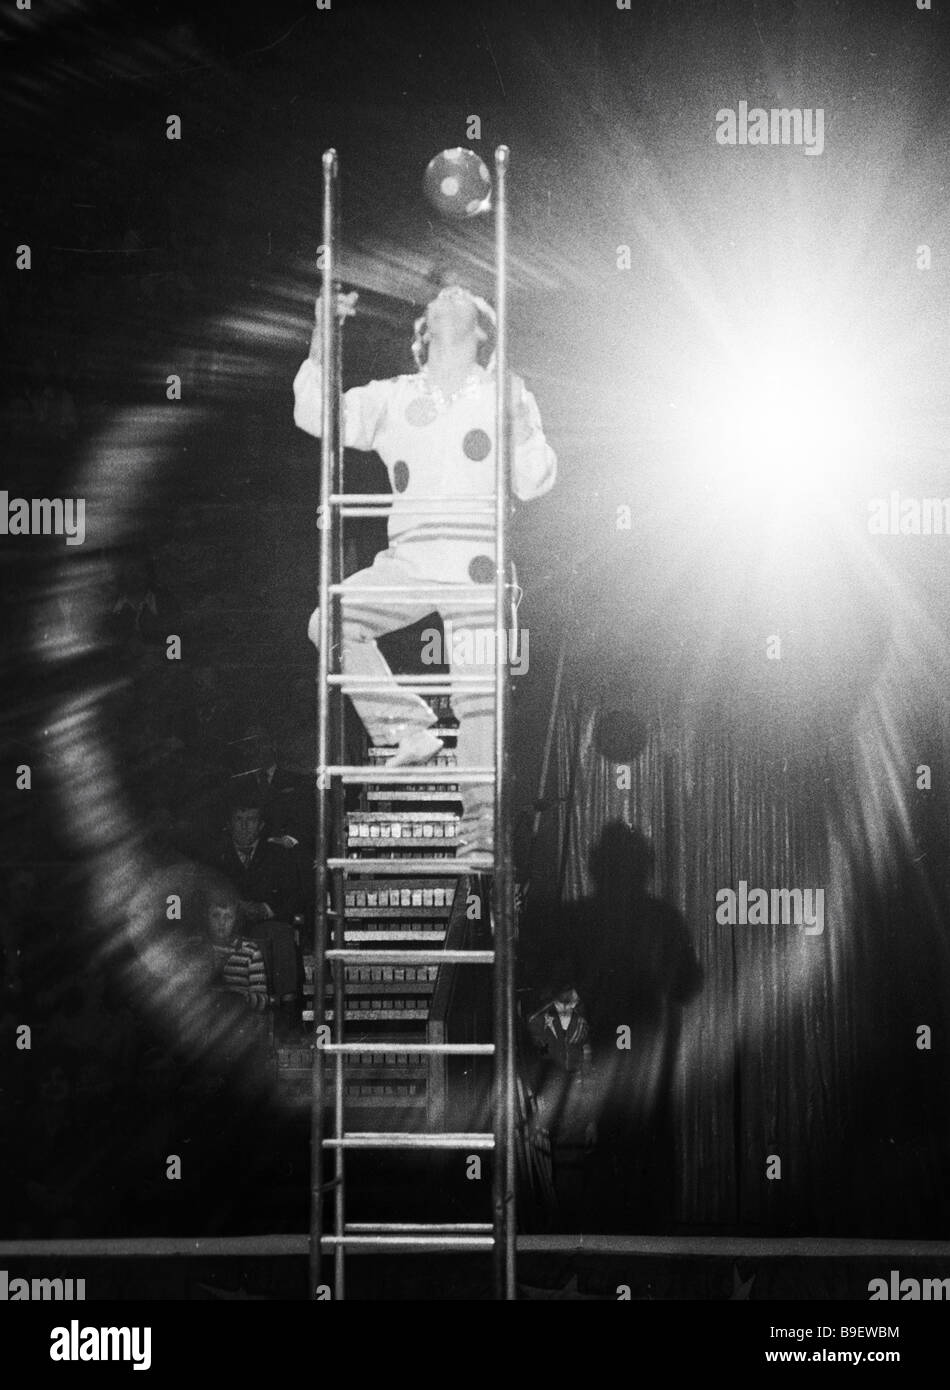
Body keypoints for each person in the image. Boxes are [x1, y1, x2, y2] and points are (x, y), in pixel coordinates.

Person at [293, 282, 557, 855]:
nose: (447, 292)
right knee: (330, 622)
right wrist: (321, 330)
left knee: (477, 698)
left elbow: (534, 482)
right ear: (422, 330)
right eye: (439, 293)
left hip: (477, 566)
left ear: (483, 327)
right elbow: (317, 415)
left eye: (462, 293)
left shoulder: (503, 391)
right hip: (409, 560)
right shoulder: (393, 395)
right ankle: (404, 729)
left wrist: (523, 422)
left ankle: (481, 831)